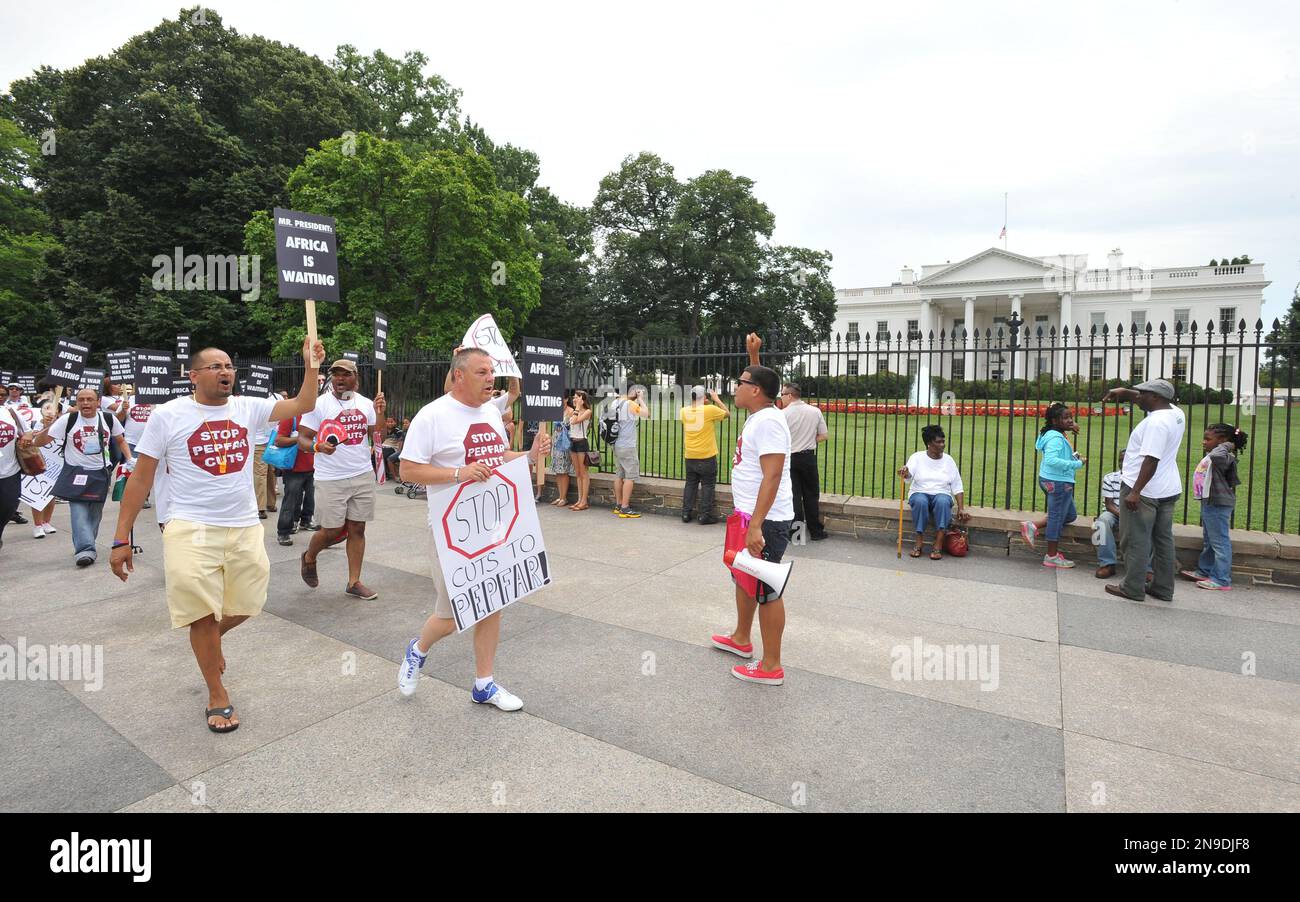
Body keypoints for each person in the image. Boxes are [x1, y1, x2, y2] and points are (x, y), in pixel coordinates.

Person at [109, 337, 325, 733]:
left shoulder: (249, 407)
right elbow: (141, 478)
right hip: (188, 526)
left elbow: (303, 405)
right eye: (216, 367)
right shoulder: (168, 415)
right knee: (200, 611)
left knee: (249, 602)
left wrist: (311, 366)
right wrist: (121, 538)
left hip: (243, 524)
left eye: (229, 366)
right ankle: (217, 694)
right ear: (193, 376)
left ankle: (209, 640)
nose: (226, 372)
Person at [395, 347, 551, 706]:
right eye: (482, 372)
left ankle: (484, 684)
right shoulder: (432, 416)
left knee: (493, 601)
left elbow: (498, 458)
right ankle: (417, 650)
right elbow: (407, 470)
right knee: (452, 615)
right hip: (452, 532)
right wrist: (457, 473)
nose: (490, 378)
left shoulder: (492, 414)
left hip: (494, 526)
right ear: (459, 375)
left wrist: (527, 456)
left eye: (492, 371)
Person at [710, 333, 795, 685]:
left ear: (755, 391)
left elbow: (773, 475)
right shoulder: (762, 414)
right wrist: (753, 354)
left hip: (766, 521)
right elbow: (763, 381)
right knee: (744, 578)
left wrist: (757, 525)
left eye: (742, 383)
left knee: (766, 589)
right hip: (747, 514)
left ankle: (771, 666)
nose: (736, 387)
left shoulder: (770, 421)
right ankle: (742, 639)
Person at [297, 359, 386, 600]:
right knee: (332, 530)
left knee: (358, 528)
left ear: (355, 378)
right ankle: (309, 557)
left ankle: (354, 581)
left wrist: (380, 414)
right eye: (335, 374)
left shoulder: (367, 404)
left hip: (361, 474)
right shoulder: (318, 405)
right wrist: (318, 446)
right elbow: (302, 439)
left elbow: (378, 437)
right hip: (330, 478)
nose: (339, 379)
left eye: (345, 374)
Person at [23, 387, 133, 566]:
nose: (86, 403)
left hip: (100, 474)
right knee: (78, 513)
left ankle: (87, 543)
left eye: (90, 399)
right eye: (81, 400)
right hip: (75, 473)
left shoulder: (107, 418)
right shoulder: (69, 419)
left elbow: (120, 440)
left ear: (98, 402)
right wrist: (43, 429)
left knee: (95, 515)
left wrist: (129, 459)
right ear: (77, 403)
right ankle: (85, 550)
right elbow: (42, 441)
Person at [1101, 379, 1186, 603]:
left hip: (1146, 491)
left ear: (1155, 398)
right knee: (1163, 540)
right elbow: (1152, 399)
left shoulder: (1156, 424)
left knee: (1136, 540)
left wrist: (1135, 492)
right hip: (1167, 488)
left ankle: (1132, 587)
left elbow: (1151, 459)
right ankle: (1163, 588)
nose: (1137, 397)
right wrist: (1125, 392)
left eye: (1142, 394)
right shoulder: (1176, 412)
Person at [1019, 403, 1086, 568]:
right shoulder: (1055, 438)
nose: (1070, 420)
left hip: (1048, 479)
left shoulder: (1050, 432)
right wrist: (1077, 463)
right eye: (1066, 418)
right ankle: (1051, 556)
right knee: (1056, 517)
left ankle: (1034, 525)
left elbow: (1053, 407)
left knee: (1069, 515)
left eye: (1071, 416)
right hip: (1058, 483)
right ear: (1055, 420)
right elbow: (1051, 460)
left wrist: (1070, 427)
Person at [1182, 424, 1247, 590]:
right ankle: (1205, 571)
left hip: (1218, 504)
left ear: (1222, 440)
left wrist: (1228, 444)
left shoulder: (1224, 455)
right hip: (1210, 502)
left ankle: (1221, 579)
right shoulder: (1219, 453)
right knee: (1210, 540)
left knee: (1219, 542)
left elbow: (1216, 455)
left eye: (1208, 439)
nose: (1203, 442)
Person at [897, 425, 971, 560]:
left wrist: (961, 508)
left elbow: (957, 485)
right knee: (920, 501)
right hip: (919, 492)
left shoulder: (948, 460)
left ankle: (938, 542)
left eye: (943, 441)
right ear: (929, 444)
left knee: (943, 501)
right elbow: (908, 477)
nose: (943, 445)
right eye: (939, 442)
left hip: (942, 493)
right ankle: (919, 541)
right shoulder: (917, 457)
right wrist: (905, 473)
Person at [780, 383, 829, 540]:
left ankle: (797, 533)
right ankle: (816, 531)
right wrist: (809, 440)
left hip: (790, 458)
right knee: (811, 495)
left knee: (794, 496)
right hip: (808, 457)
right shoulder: (815, 411)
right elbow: (824, 435)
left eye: (782, 394)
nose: (780, 397)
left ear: (789, 395)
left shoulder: (783, 414)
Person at [678, 387, 729, 525]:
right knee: (708, 485)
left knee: (690, 484)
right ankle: (704, 515)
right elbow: (727, 413)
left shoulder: (683, 411)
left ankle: (686, 513)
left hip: (690, 454)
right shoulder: (709, 410)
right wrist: (716, 399)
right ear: (704, 398)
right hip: (707, 455)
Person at [274, 411, 317, 546]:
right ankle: (284, 531)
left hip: (314, 466)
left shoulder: (317, 416)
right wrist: (299, 439)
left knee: (311, 497)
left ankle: (306, 520)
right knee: (291, 500)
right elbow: (279, 440)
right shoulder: (290, 417)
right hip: (294, 467)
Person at [609, 387, 649, 518]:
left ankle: (618, 504)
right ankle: (625, 508)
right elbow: (646, 414)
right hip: (627, 445)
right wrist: (641, 400)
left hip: (616, 443)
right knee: (630, 477)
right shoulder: (630, 404)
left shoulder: (615, 402)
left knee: (619, 475)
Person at [566, 390, 594, 511]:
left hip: (582, 443)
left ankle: (584, 501)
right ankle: (579, 499)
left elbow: (575, 421)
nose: (574, 399)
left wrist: (577, 407)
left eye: (576, 397)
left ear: (582, 400)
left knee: (583, 473)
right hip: (573, 442)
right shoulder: (574, 412)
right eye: (573, 397)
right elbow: (571, 421)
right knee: (577, 473)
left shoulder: (587, 411)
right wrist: (576, 408)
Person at [549, 393, 577, 507]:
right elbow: (555, 428)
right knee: (557, 470)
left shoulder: (570, 411)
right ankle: (560, 496)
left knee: (564, 470)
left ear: (566, 399)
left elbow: (571, 426)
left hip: (564, 442)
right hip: (556, 440)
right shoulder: (556, 410)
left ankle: (564, 497)